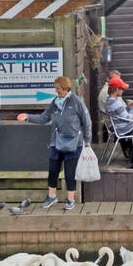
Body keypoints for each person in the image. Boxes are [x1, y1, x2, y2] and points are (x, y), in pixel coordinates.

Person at [18, 76, 91, 211]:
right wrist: (27, 117)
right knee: (53, 170)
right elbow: (43, 118)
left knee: (70, 172)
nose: (56, 91)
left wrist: (87, 141)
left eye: (58, 88)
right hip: (56, 142)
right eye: (55, 88)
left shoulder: (76, 102)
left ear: (65, 88)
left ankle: (70, 199)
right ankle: (51, 197)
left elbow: (87, 122)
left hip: (74, 143)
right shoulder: (54, 102)